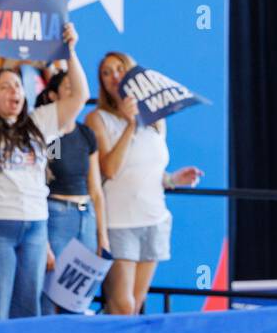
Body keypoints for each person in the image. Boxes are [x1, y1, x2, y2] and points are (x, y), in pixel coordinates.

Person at [0, 14, 88, 321]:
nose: (14, 91)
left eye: (17, 86)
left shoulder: (40, 122)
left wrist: (71, 50)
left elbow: (80, 95)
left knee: (28, 309)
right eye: (4, 87)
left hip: (34, 225)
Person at [86, 52, 203, 315]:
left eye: (119, 69)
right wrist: (130, 124)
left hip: (154, 219)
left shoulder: (156, 120)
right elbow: (111, 170)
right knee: (122, 305)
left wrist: (173, 179)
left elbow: (148, 170)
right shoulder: (97, 119)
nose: (114, 76)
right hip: (118, 223)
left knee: (136, 304)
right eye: (106, 72)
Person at [36, 70, 109, 315]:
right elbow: (41, 181)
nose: (73, 91)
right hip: (56, 214)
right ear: (53, 95)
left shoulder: (86, 134)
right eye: (67, 87)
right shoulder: (49, 136)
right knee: (47, 293)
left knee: (77, 297)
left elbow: (96, 189)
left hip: (86, 216)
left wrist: (103, 236)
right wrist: (43, 240)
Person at [0, 0, 62, 106]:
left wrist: (45, 61)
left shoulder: (54, 31)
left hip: (46, 108)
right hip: (8, 107)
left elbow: (62, 86)